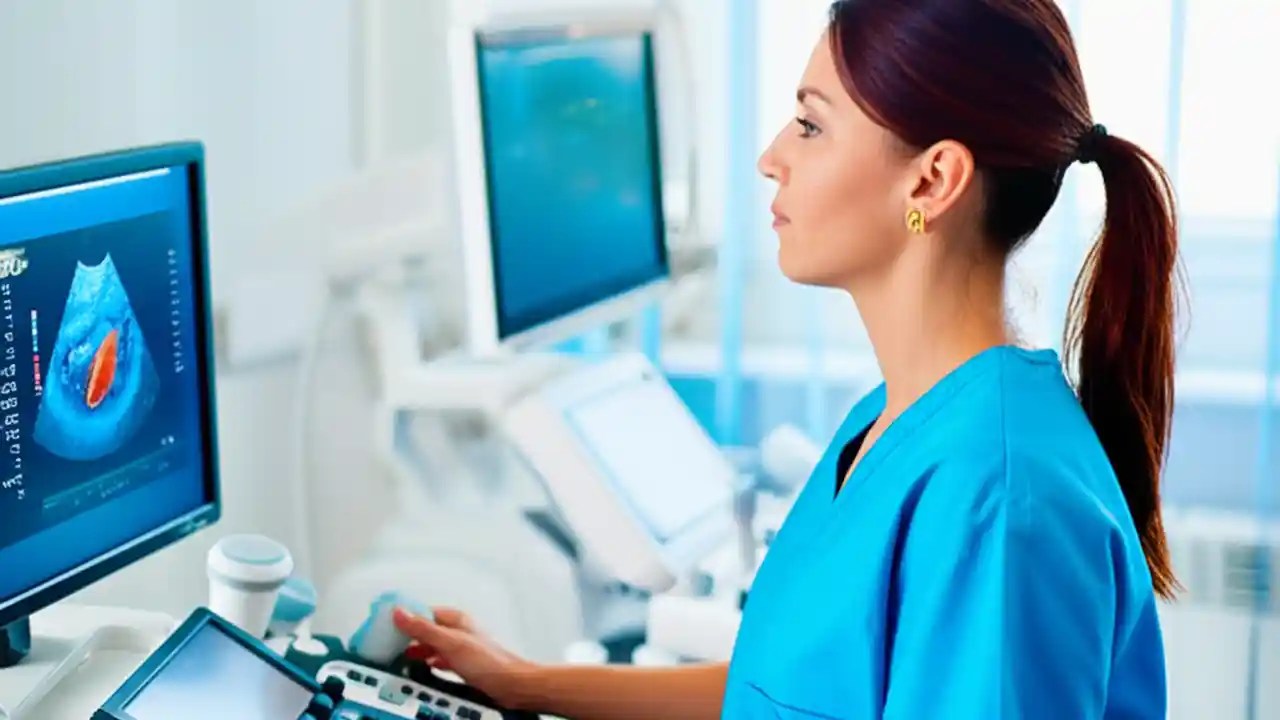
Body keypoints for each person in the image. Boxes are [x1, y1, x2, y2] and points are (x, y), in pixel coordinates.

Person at [392, 0, 1181, 716]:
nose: (772, 157)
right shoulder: (892, 415)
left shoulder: (1002, 501)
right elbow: (788, 692)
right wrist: (525, 683)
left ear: (933, 179)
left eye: (811, 125)